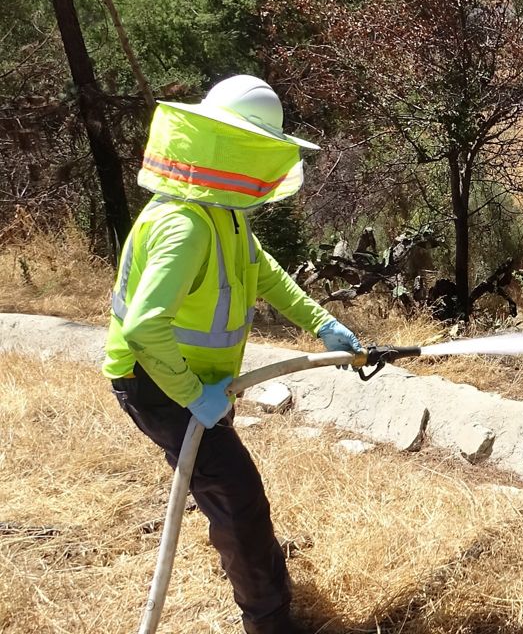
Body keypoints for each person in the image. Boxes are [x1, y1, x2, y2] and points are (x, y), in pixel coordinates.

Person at [102, 75, 362, 634]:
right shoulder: (185, 225)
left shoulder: (223, 214)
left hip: (195, 383)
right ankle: (269, 620)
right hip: (158, 383)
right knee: (238, 498)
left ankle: (251, 551)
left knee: (227, 490)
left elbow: (263, 273)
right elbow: (146, 329)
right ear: (229, 147)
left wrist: (322, 321)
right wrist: (196, 398)